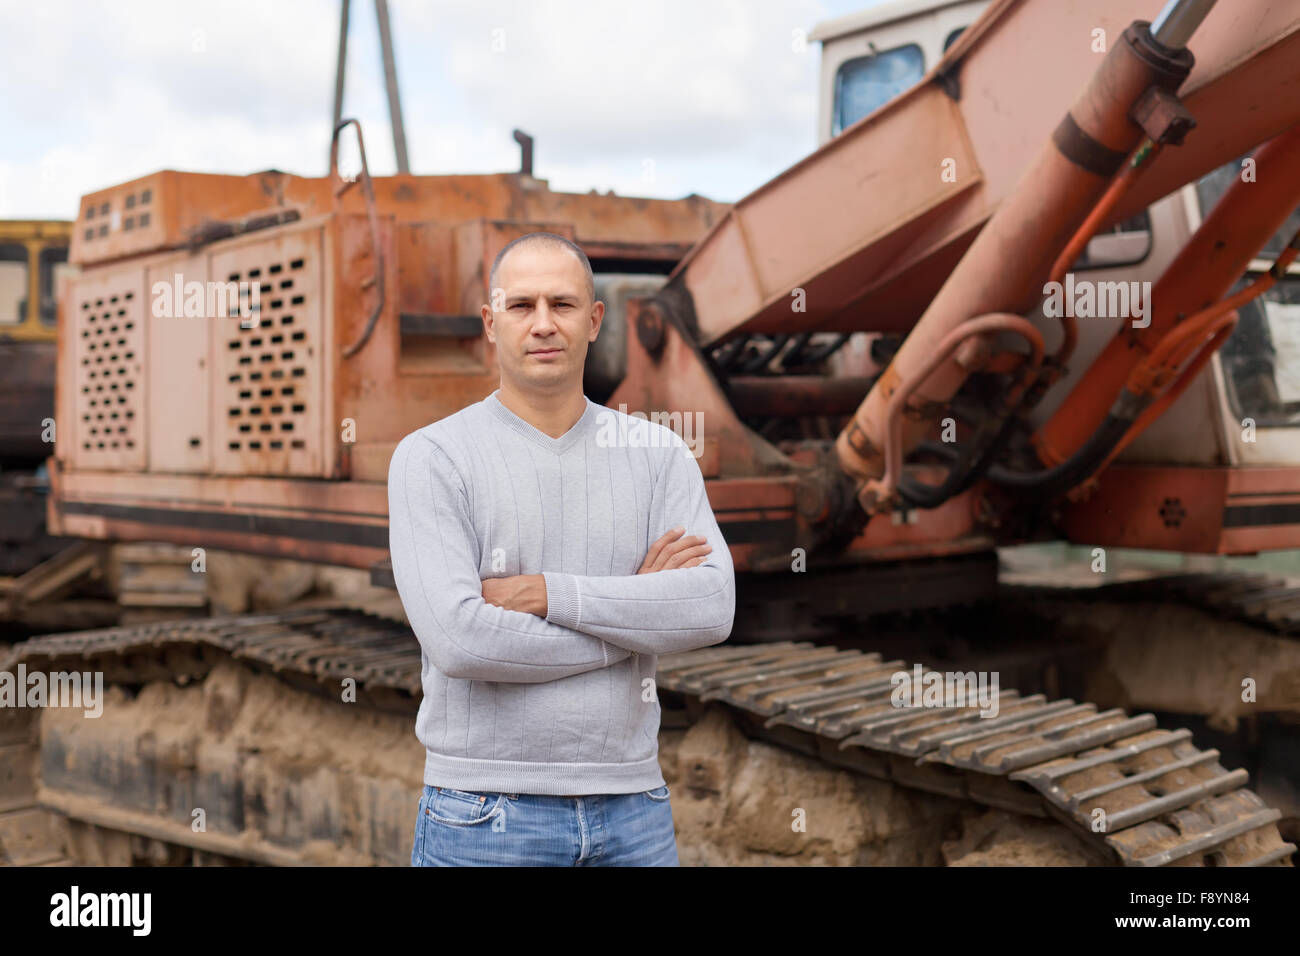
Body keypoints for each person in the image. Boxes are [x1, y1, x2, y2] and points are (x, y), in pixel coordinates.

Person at [387, 231, 735, 866]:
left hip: (636, 809)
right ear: (491, 324)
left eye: (563, 304)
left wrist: (553, 594)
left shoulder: (657, 456)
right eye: (522, 306)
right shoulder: (433, 458)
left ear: (595, 319)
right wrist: (636, 620)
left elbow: (710, 607)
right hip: (484, 812)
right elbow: (460, 641)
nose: (543, 324)